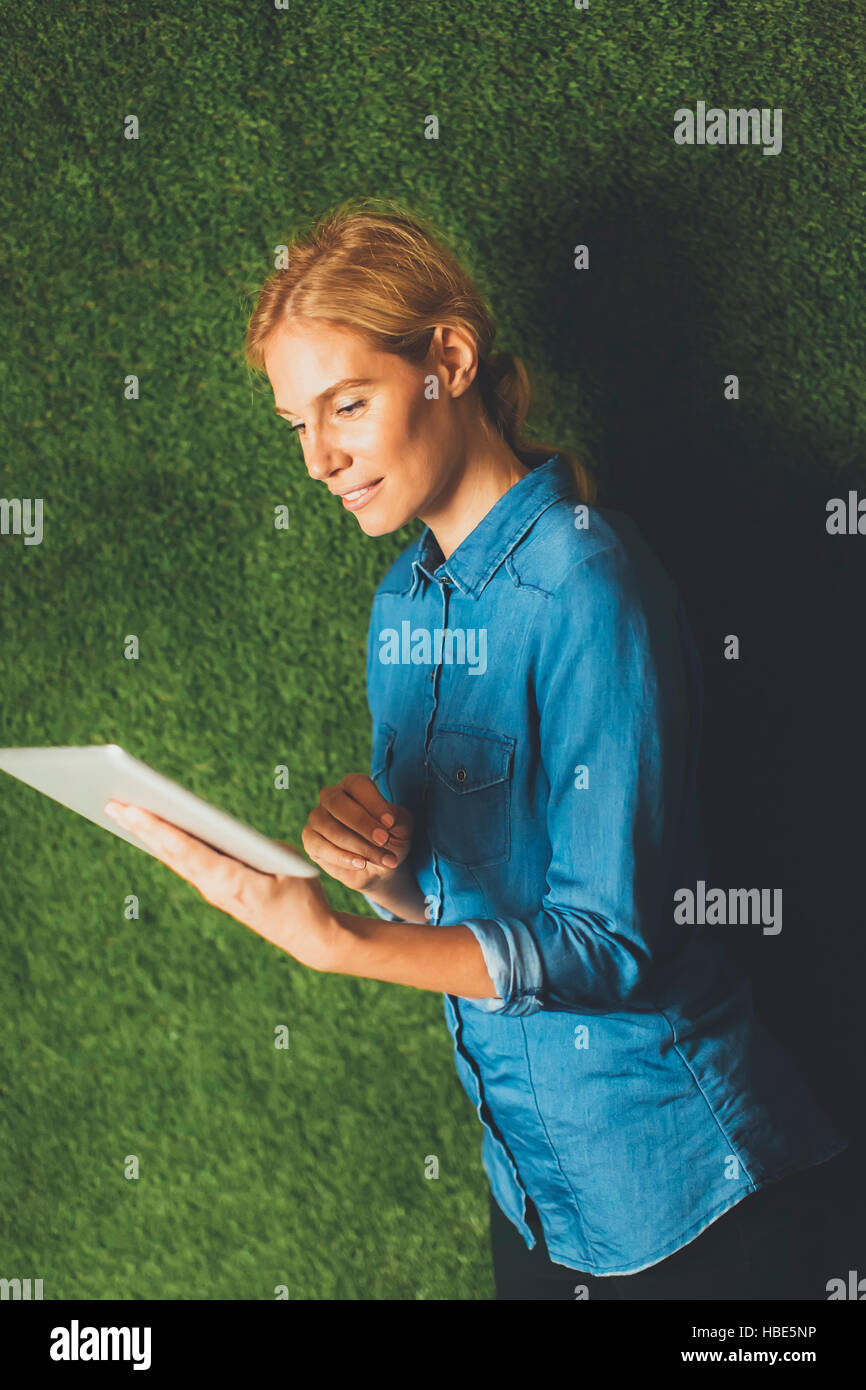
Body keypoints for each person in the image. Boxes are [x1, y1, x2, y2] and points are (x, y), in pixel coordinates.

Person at [111, 197, 848, 1300]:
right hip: (533, 1193)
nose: (317, 457)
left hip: (690, 1201)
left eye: (344, 404)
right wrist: (386, 868)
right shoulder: (401, 602)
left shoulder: (589, 586)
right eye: (293, 424)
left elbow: (608, 944)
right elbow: (458, 916)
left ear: (443, 361)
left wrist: (340, 941)